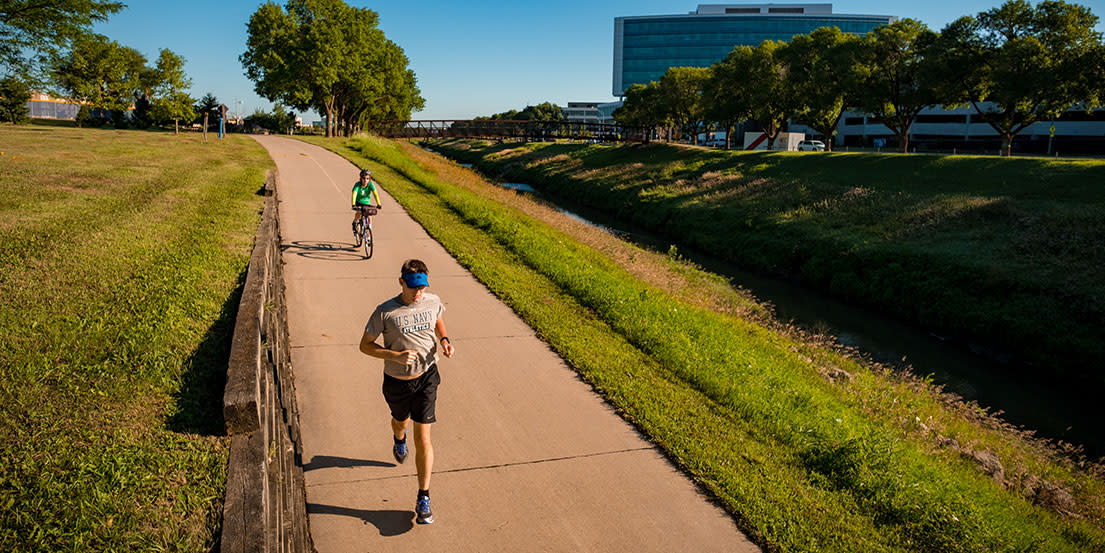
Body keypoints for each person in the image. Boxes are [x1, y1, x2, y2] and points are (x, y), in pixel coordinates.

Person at [359, 259, 455, 525]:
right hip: (397, 382)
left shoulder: (432, 300)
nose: (418, 293)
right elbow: (365, 346)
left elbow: (438, 320)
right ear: (401, 282)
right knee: (401, 422)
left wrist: (444, 340)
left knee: (423, 438)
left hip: (427, 378)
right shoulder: (385, 312)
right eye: (413, 288)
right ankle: (397, 437)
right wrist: (393, 355)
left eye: (422, 288)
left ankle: (423, 497)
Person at [351, 168, 382, 235]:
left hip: (367, 203)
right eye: (364, 178)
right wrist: (353, 204)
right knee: (359, 213)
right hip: (358, 202)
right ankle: (355, 222)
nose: (365, 180)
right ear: (361, 178)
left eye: (367, 179)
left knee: (369, 216)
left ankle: (369, 232)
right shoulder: (357, 185)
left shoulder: (370, 185)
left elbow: (375, 194)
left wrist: (378, 203)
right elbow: (354, 194)